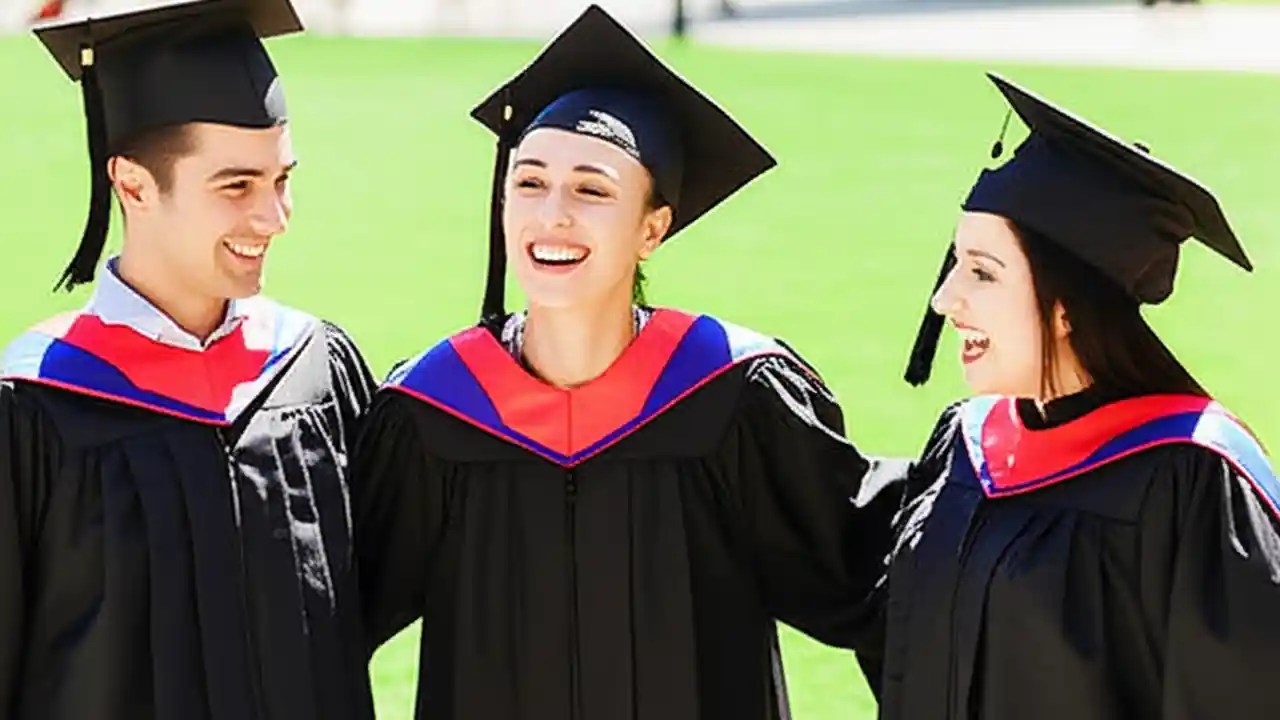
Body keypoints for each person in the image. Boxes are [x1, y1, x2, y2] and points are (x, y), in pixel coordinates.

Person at [351, 6, 902, 719]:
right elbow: (320, 617)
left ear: (653, 228)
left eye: (592, 189)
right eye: (529, 182)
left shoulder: (733, 400)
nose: (552, 214)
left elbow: (875, 580)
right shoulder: (433, 413)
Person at [1, 1, 376, 718]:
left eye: (282, 179)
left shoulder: (316, 372)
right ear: (134, 185)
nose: (273, 217)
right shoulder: (34, 406)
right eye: (237, 186)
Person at [879, 73, 1279, 719]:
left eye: (982, 272)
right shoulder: (966, 442)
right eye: (954, 264)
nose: (945, 298)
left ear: (1066, 304)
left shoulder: (1191, 479)